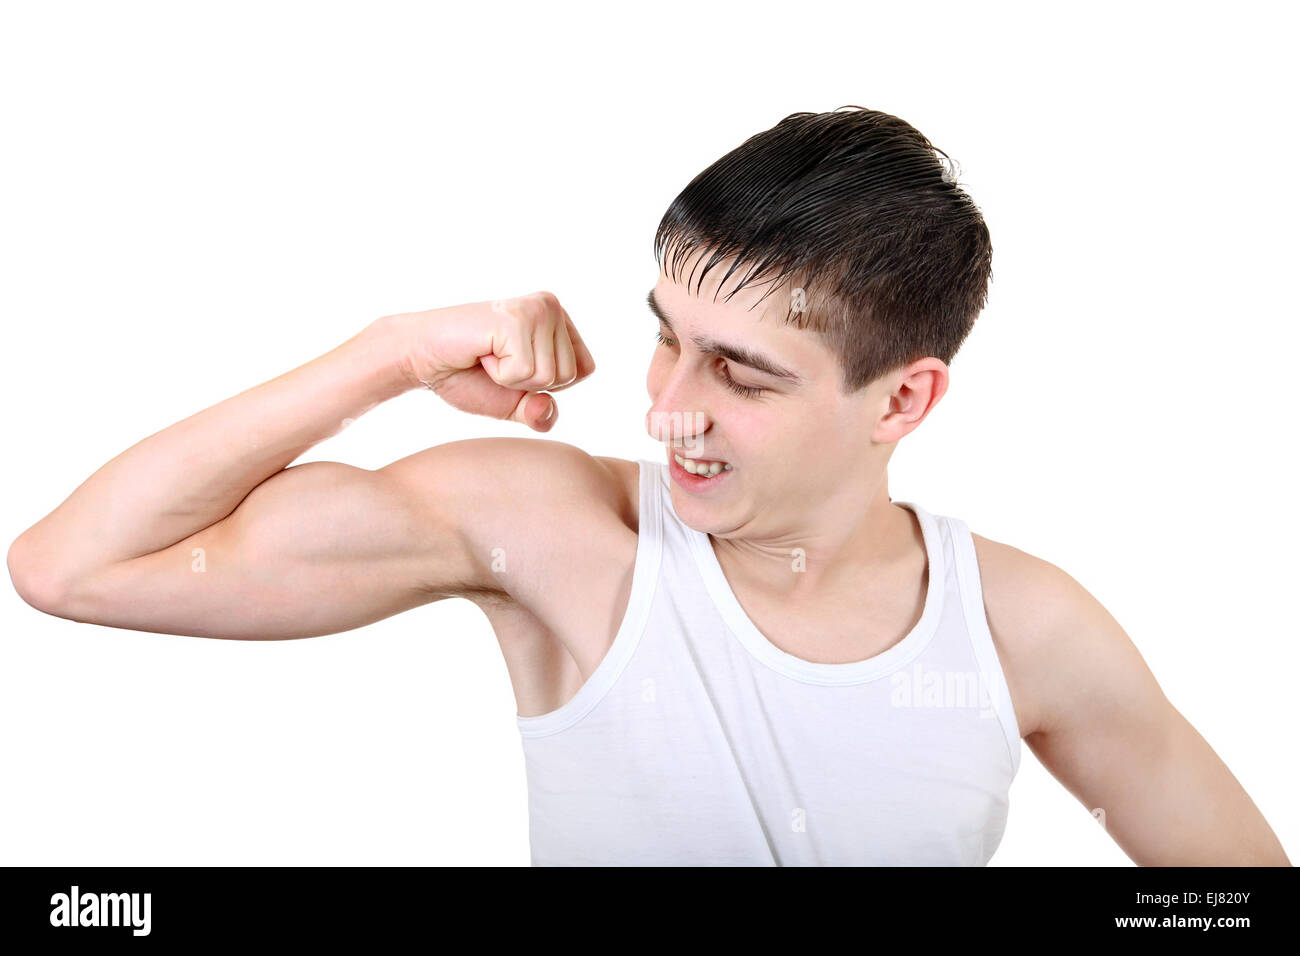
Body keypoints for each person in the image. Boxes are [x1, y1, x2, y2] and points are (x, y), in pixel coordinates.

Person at [7, 106, 1289, 866]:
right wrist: (384, 354)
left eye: (741, 371)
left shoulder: (1023, 625)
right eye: (666, 331)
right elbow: (73, 567)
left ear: (901, 399)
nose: (667, 401)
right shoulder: (558, 534)